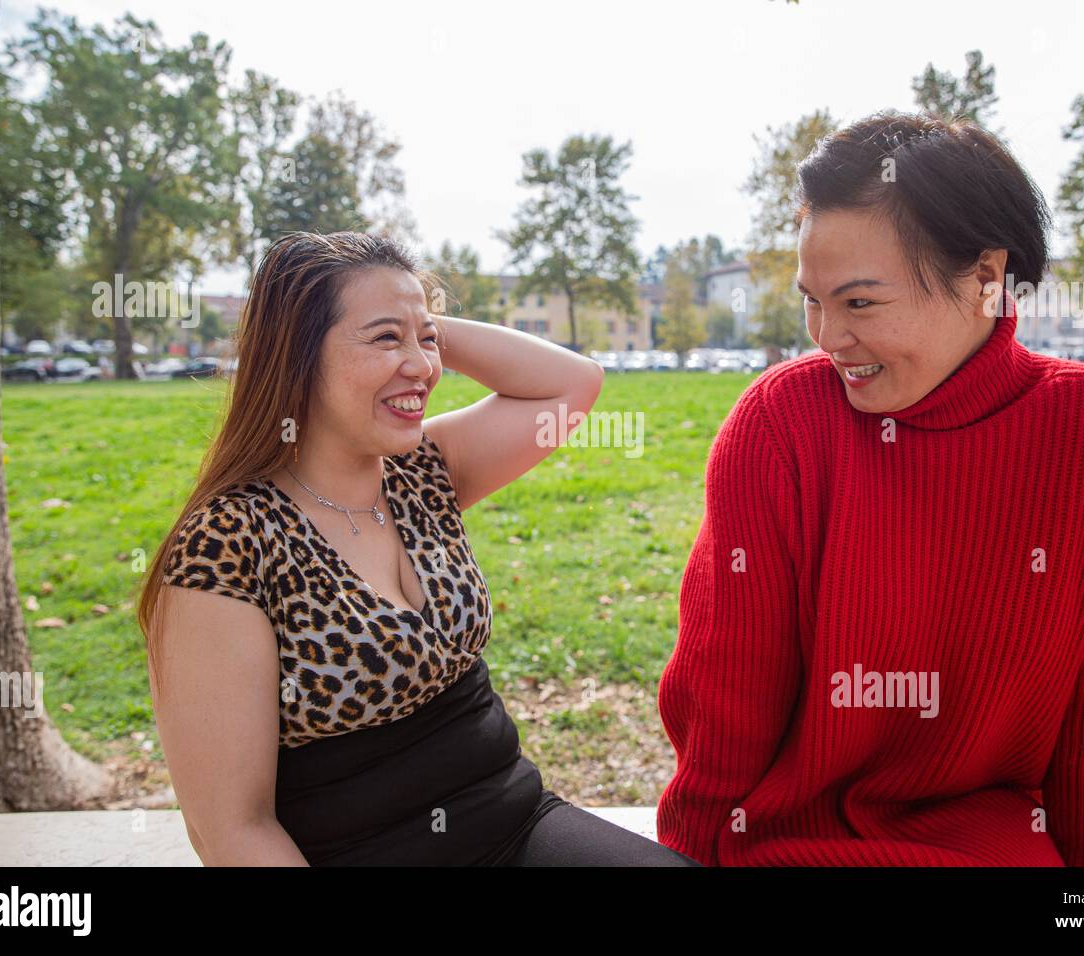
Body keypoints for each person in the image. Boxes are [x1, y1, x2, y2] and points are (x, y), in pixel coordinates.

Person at [656, 111, 1084, 867]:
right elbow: (725, 704)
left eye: (859, 303)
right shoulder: (780, 424)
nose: (825, 337)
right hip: (789, 853)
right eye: (811, 299)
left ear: (984, 277)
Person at [139, 231, 700, 867]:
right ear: (295, 353)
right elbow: (233, 832)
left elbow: (572, 384)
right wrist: (407, 325)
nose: (424, 367)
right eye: (384, 338)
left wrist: (412, 323)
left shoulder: (422, 472)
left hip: (516, 826)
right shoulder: (225, 545)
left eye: (427, 340)